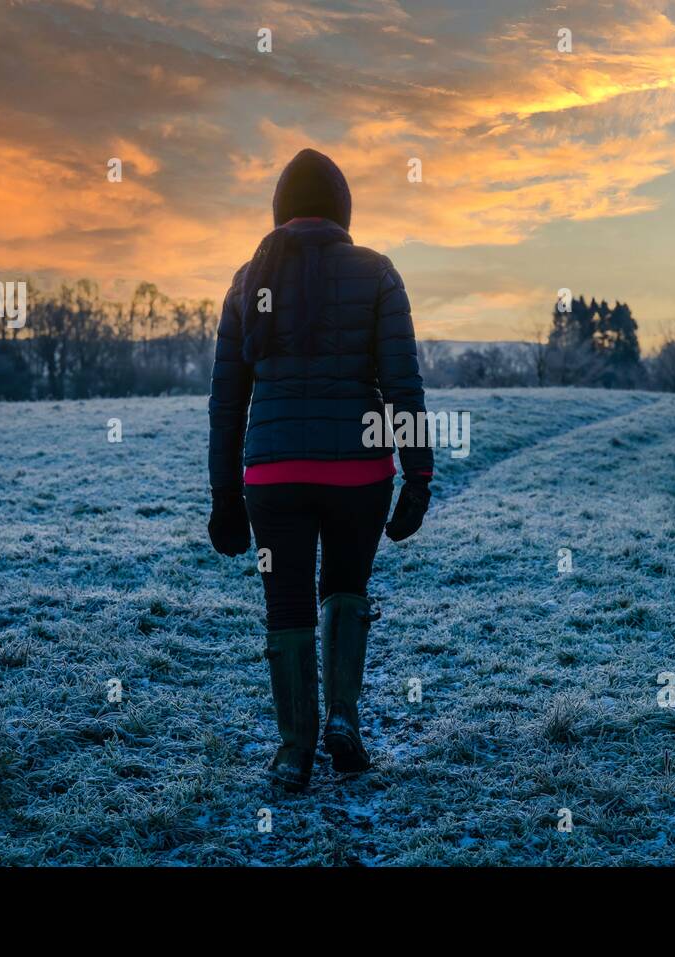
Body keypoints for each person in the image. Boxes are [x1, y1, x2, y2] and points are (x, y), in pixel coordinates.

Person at [207, 148, 433, 792]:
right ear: (343, 211)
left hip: (272, 480)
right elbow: (403, 385)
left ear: (280, 211)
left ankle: (293, 751)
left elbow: (227, 400)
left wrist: (224, 494)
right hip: (359, 475)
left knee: (285, 603)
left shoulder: (247, 279)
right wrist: (418, 477)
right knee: (346, 587)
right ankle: (343, 721)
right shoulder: (378, 273)